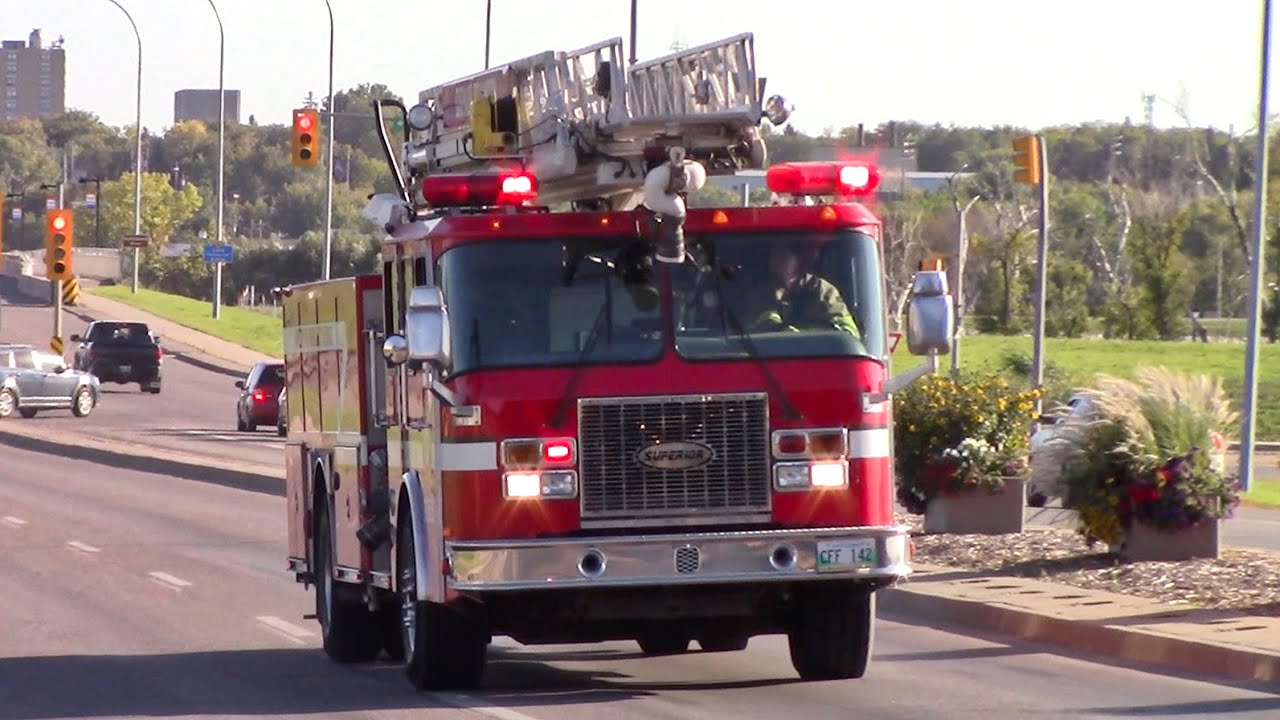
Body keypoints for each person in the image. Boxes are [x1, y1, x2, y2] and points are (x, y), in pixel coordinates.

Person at [741, 243, 860, 336]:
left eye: (784, 255)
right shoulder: (759, 293)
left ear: (800, 260)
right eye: (774, 254)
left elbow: (849, 334)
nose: (776, 260)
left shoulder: (822, 290)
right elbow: (758, 331)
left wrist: (805, 339)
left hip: (820, 357)